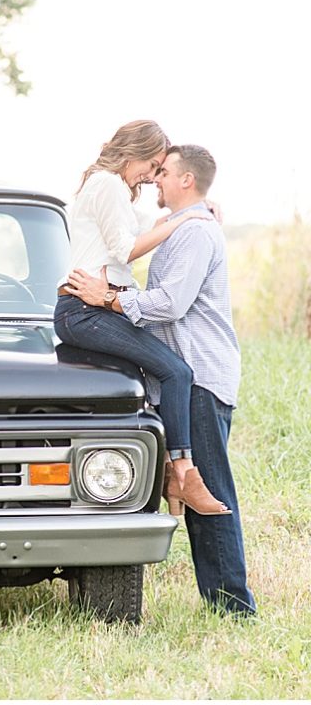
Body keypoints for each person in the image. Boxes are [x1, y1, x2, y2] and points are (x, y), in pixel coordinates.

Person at [66, 144, 256, 616]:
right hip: (185, 377)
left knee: (209, 491)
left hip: (199, 378)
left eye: (164, 172)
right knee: (197, 488)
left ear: (186, 180)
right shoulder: (182, 229)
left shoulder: (194, 235)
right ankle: (223, 599)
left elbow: (170, 304)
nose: (156, 180)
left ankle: (234, 607)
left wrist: (108, 299)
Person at [54, 120, 228, 515]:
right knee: (177, 372)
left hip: (90, 307)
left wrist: (196, 210)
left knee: (157, 376)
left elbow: (141, 229)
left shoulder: (110, 188)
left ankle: (172, 471)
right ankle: (181, 472)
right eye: (151, 166)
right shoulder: (108, 184)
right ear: (133, 151)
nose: (151, 178)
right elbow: (126, 249)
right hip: (84, 309)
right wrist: (184, 219)